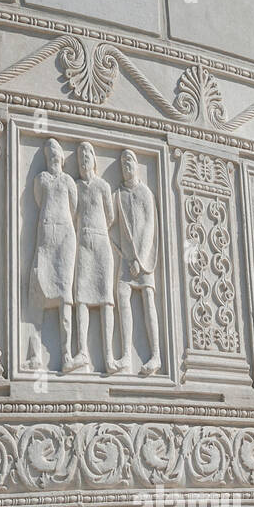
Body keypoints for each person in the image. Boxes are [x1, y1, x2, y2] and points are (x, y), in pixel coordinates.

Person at [25, 138, 79, 373]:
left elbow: (73, 207)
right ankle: (35, 354)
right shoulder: (41, 179)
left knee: (65, 297)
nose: (54, 156)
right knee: (37, 294)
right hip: (45, 241)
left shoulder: (68, 181)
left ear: (62, 158)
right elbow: (39, 199)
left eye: (56, 152)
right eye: (49, 154)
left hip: (66, 241)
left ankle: (67, 354)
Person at [73, 142, 121, 374]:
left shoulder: (102, 186)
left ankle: (109, 356)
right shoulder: (76, 186)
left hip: (101, 243)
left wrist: (97, 231)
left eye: (87, 156)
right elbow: (72, 214)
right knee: (81, 296)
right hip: (83, 244)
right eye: (80, 157)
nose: (83, 161)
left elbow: (110, 215)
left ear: (94, 159)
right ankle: (82, 351)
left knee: (106, 299)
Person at [112, 149, 161, 376]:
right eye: (122, 162)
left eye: (129, 161)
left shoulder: (145, 193)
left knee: (147, 298)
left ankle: (156, 355)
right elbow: (111, 226)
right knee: (122, 294)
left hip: (144, 258)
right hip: (126, 258)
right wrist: (125, 255)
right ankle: (126, 356)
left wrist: (140, 262)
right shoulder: (118, 194)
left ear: (137, 166)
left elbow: (149, 226)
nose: (125, 165)